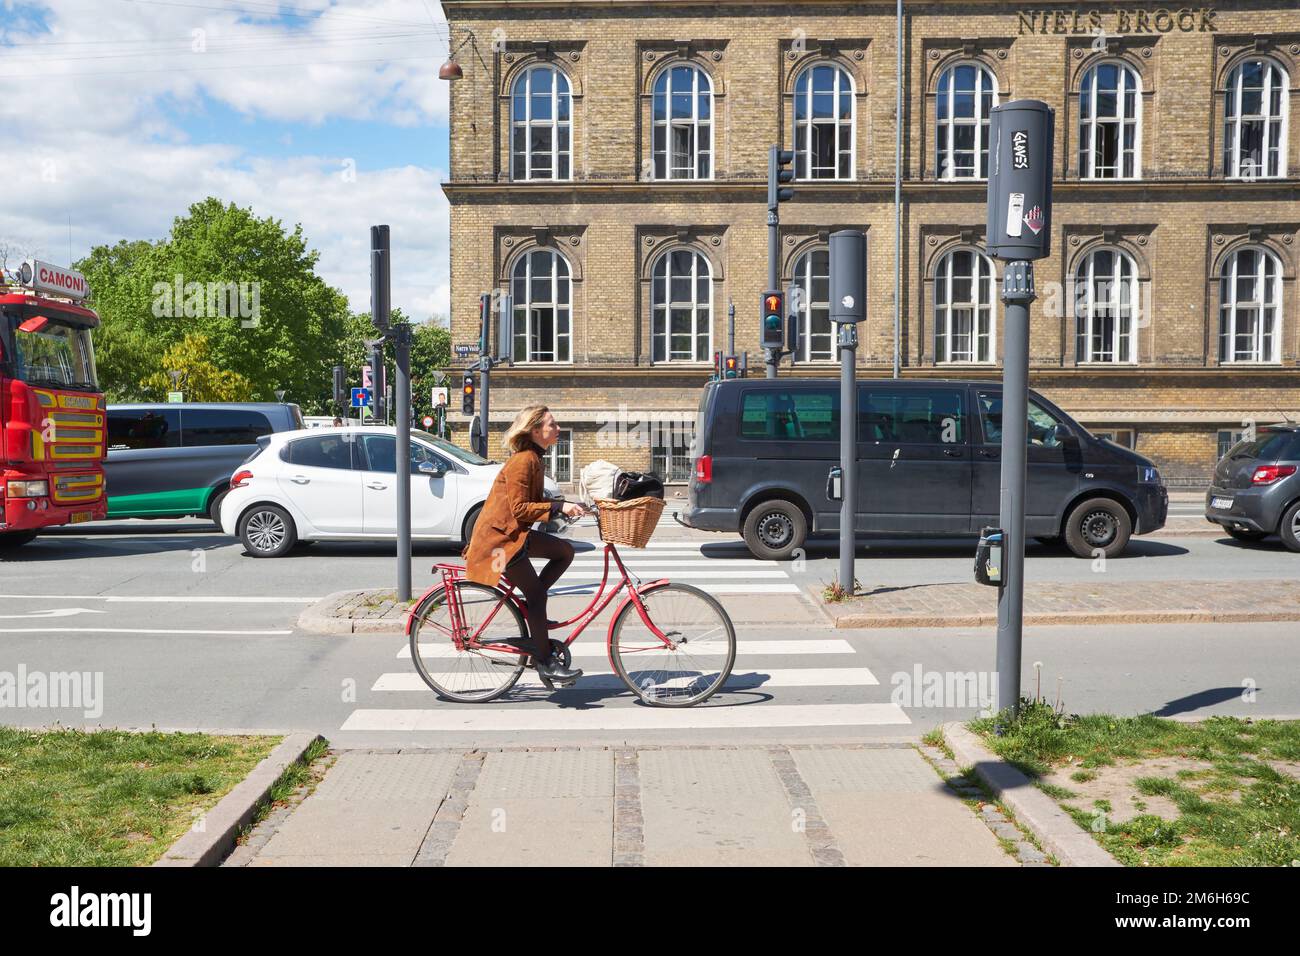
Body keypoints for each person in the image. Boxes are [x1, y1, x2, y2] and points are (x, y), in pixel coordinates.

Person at [462, 405, 587, 683]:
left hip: (514, 536)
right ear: (535, 430)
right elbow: (520, 509)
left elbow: (532, 503)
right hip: (499, 544)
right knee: (538, 597)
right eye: (551, 425)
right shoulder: (523, 460)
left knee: (564, 552)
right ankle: (544, 662)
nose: (557, 429)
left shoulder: (534, 458)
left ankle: (535, 613)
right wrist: (559, 507)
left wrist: (568, 506)